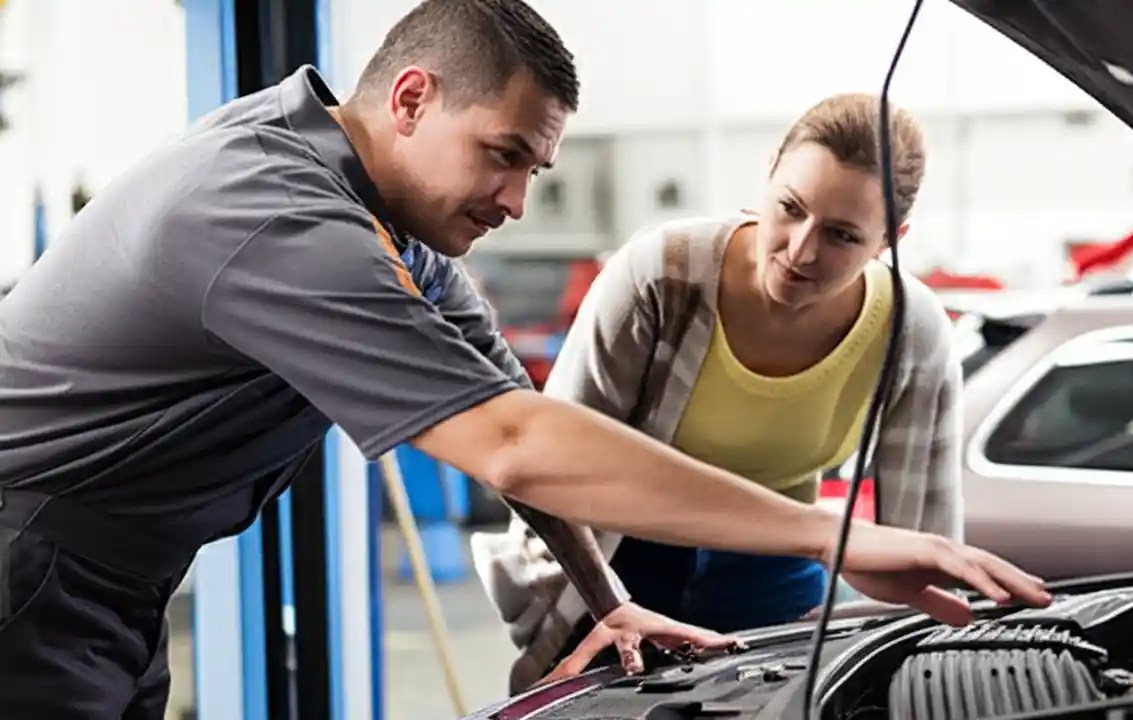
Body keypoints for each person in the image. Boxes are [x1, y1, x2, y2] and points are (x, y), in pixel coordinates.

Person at [0, 1, 1048, 716]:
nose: (515, 202)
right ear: (409, 98)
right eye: (503, 155)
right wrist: (837, 539)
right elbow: (511, 446)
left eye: (535, 168)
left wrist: (607, 602)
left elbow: (507, 406)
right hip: (25, 558)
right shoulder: (273, 213)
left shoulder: (390, 230)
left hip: (105, 578)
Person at [475, 92, 972, 691]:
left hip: (775, 573)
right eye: (790, 207)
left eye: (841, 235)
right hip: (620, 560)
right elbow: (551, 465)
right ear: (768, 172)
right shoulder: (662, 276)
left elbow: (922, 549)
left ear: (890, 240)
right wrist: (590, 605)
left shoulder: (911, 331)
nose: (801, 249)